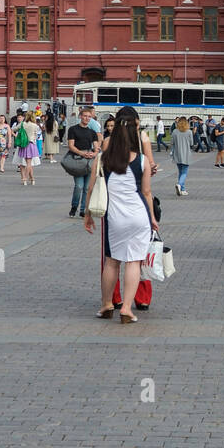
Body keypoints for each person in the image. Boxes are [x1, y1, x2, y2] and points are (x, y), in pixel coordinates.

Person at [85, 113, 157, 325]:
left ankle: (107, 304)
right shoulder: (142, 161)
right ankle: (126, 308)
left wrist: (88, 214)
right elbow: (146, 193)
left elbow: (91, 188)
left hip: (114, 219)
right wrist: (152, 217)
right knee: (134, 261)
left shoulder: (102, 158)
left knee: (112, 262)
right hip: (138, 217)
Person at [67, 108, 99, 217]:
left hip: (89, 161)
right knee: (79, 186)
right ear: (80, 116)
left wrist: (94, 154)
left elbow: (96, 147)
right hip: (77, 159)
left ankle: (83, 210)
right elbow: (71, 145)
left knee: (87, 188)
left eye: (89, 116)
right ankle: (74, 206)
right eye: (85, 116)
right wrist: (81, 153)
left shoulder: (92, 132)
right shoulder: (73, 129)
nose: (87, 118)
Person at [15, 111, 39, 186]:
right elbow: (36, 135)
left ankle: (27, 178)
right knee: (29, 163)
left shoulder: (22, 124)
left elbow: (14, 129)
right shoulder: (35, 125)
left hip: (23, 144)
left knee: (25, 162)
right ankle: (28, 178)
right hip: (31, 144)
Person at [170, 116, 193, 196]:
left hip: (177, 154)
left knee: (180, 171)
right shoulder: (189, 132)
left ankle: (182, 189)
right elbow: (191, 143)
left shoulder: (174, 131)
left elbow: (172, 142)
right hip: (186, 154)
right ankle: (179, 184)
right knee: (184, 172)